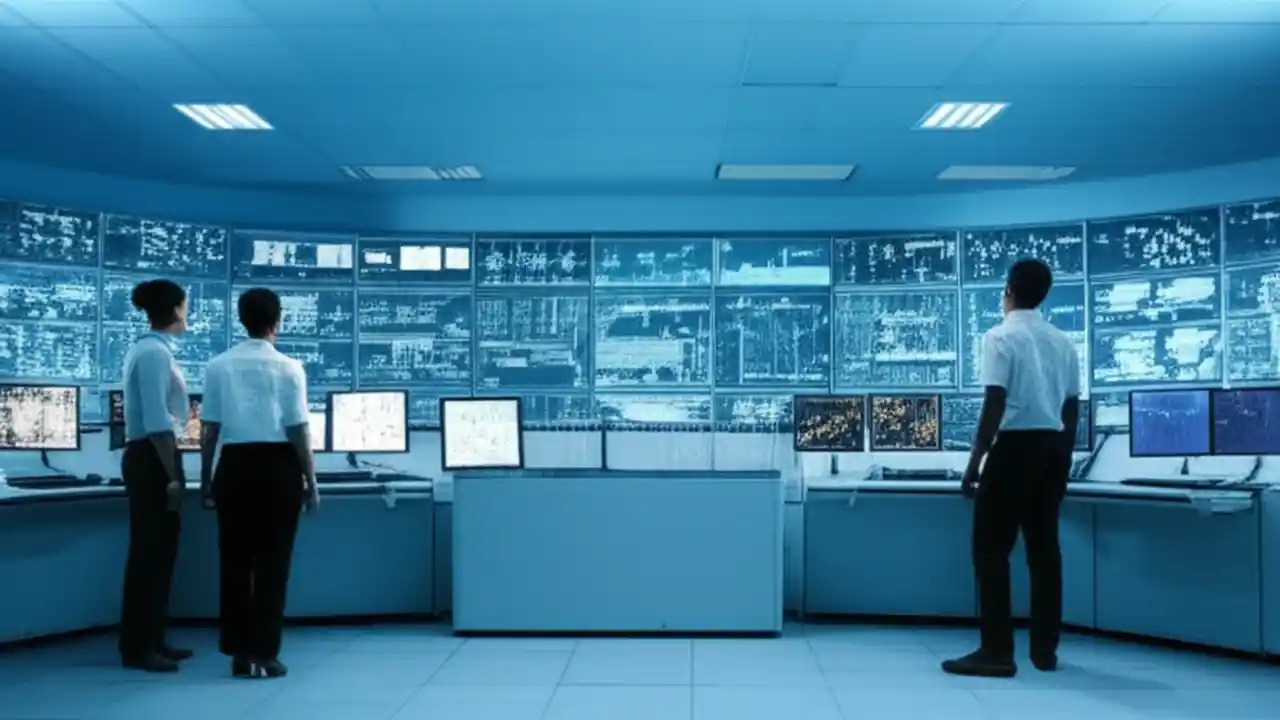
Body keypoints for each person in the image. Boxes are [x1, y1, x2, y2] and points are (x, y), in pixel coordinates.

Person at [942, 258, 1080, 679]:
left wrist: (973, 464)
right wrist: (1064, 459)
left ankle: (997, 651)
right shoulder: (1062, 341)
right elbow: (1072, 407)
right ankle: (1045, 652)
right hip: (1053, 448)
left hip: (1016, 449)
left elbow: (994, 404)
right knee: (1044, 552)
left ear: (1008, 291)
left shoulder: (1000, 336)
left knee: (990, 551)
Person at [200, 287, 319, 679]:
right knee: (273, 564)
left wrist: (205, 481)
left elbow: (209, 430)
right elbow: (299, 430)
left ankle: (238, 653)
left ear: (241, 319)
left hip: (233, 468)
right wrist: (311, 482)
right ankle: (266, 655)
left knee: (234, 563)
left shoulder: (218, 366)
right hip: (277, 470)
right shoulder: (289, 368)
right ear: (277, 321)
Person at [119, 279, 193, 672]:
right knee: (149, 554)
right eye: (186, 305)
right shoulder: (153, 354)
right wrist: (173, 478)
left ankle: (153, 638)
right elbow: (158, 423)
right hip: (153, 458)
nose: (188, 312)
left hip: (153, 456)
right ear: (176, 308)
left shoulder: (153, 350)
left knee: (160, 553)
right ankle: (138, 647)